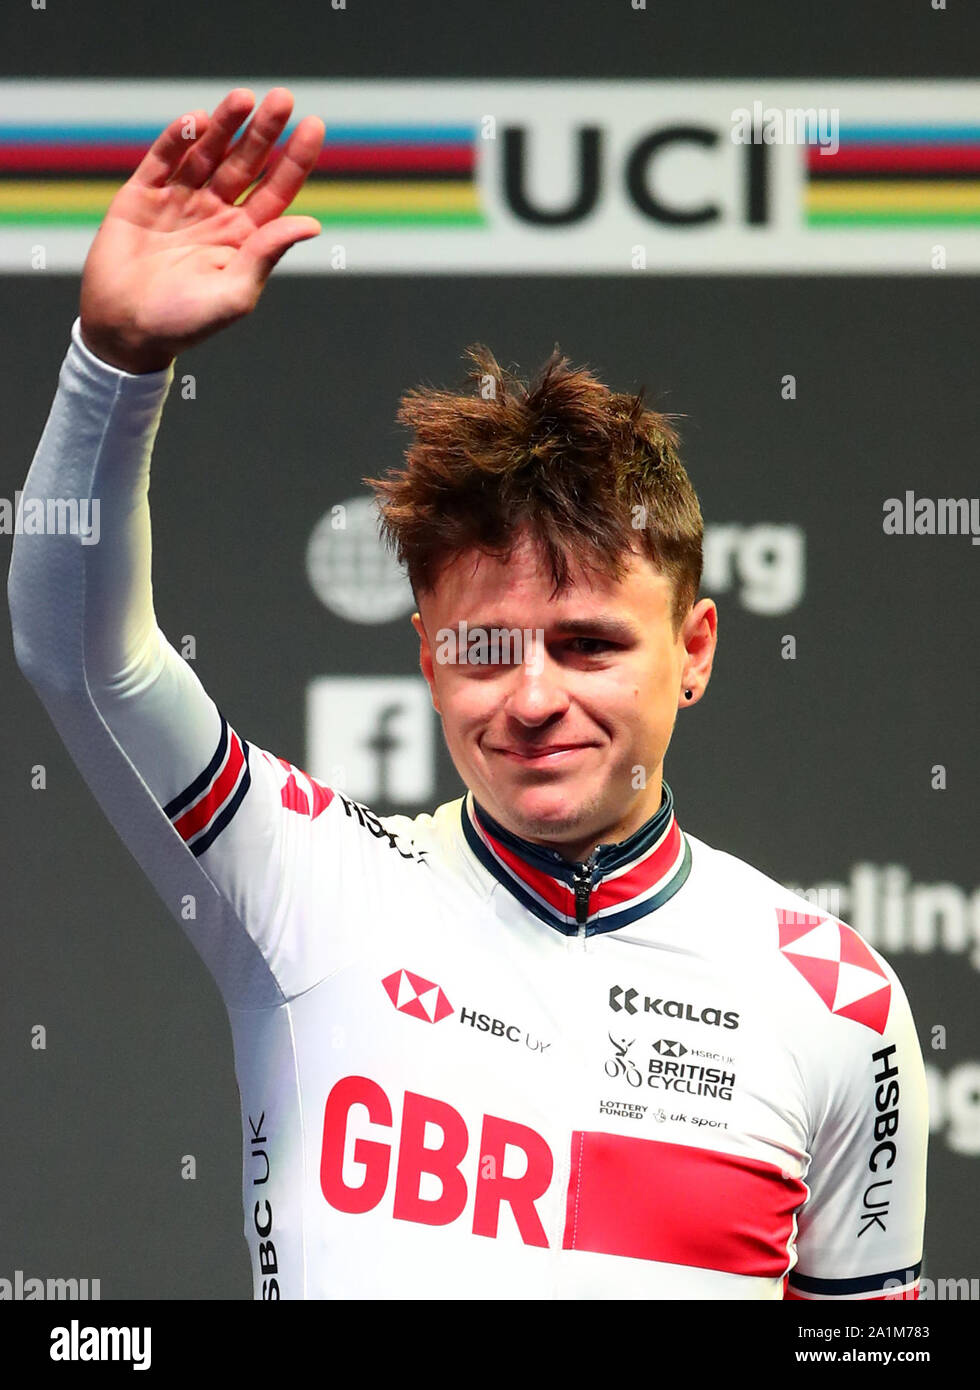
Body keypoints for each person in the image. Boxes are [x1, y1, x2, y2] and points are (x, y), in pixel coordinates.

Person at [9, 85, 927, 1300]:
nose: (532, 697)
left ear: (694, 649)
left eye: (588, 643)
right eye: (484, 650)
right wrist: (114, 363)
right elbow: (84, 658)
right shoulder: (308, 881)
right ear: (426, 654)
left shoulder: (838, 999)